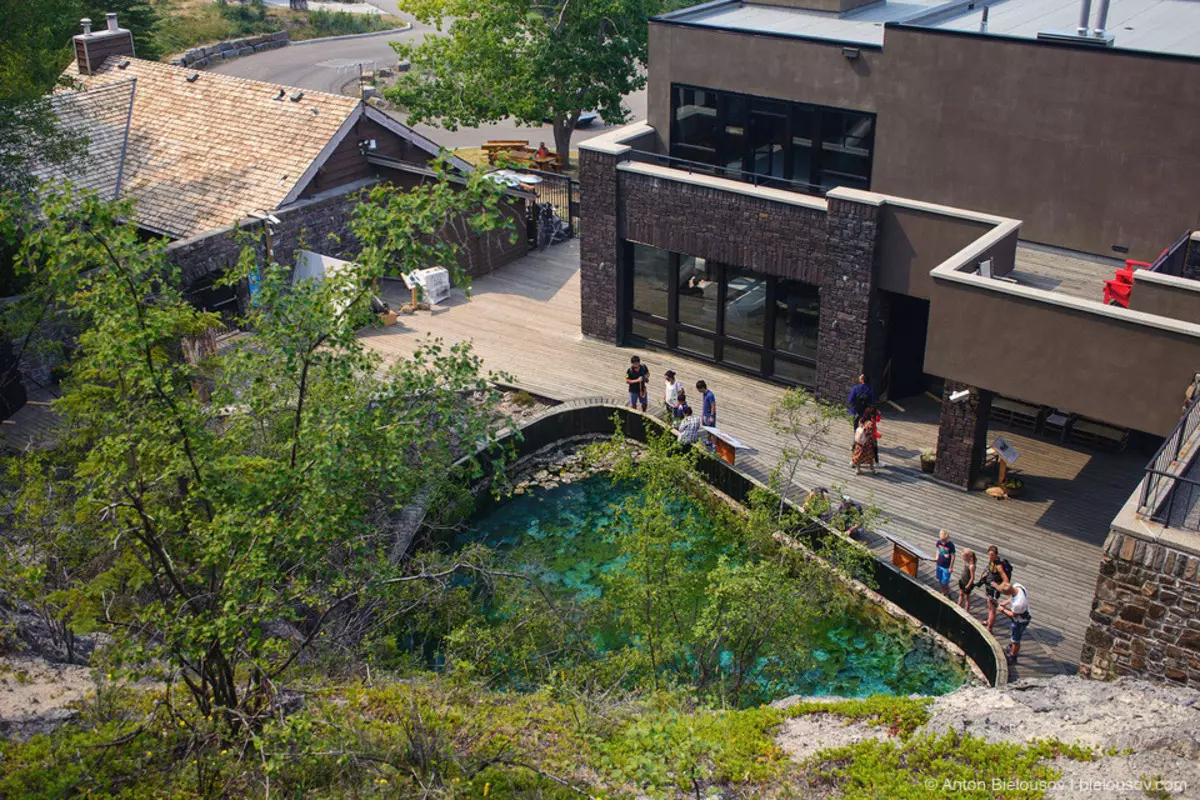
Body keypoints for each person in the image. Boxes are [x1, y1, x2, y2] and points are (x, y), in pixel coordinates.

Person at [998, 582, 1031, 663]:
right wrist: (1004, 603)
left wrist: (1002, 610)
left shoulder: (1017, 604)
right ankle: (1012, 646)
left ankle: (1013, 656)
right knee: (1013, 636)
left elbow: (1013, 614)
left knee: (1016, 640)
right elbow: (1011, 597)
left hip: (1020, 621)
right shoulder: (1018, 587)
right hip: (1026, 613)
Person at [984, 545, 1013, 633]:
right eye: (989, 555)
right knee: (989, 606)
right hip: (989, 587)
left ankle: (990, 628)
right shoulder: (992, 561)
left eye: (992, 555)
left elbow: (1006, 580)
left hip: (994, 590)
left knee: (992, 609)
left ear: (996, 555)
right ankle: (989, 621)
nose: (990, 557)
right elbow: (991, 570)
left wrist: (998, 587)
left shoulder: (998, 565)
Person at [852, 406, 879, 475]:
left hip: (859, 441)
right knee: (870, 456)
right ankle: (872, 469)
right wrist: (874, 442)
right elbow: (871, 434)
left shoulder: (861, 420)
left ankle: (858, 470)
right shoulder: (870, 424)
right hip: (866, 442)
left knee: (859, 455)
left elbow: (860, 426)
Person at [934, 529, 956, 598]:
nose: (943, 542)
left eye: (944, 540)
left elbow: (953, 556)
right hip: (939, 564)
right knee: (940, 578)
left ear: (947, 538)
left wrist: (951, 567)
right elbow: (938, 550)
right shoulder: (939, 542)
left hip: (946, 566)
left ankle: (946, 591)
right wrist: (936, 557)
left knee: (945, 581)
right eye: (942, 540)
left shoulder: (950, 545)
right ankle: (943, 591)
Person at [957, 548, 977, 614]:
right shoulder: (966, 562)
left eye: (963, 556)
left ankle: (966, 611)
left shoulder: (971, 566)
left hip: (967, 583)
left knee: (966, 597)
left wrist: (968, 585)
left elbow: (972, 578)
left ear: (968, 556)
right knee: (961, 594)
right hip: (963, 581)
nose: (962, 558)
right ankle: (958, 606)